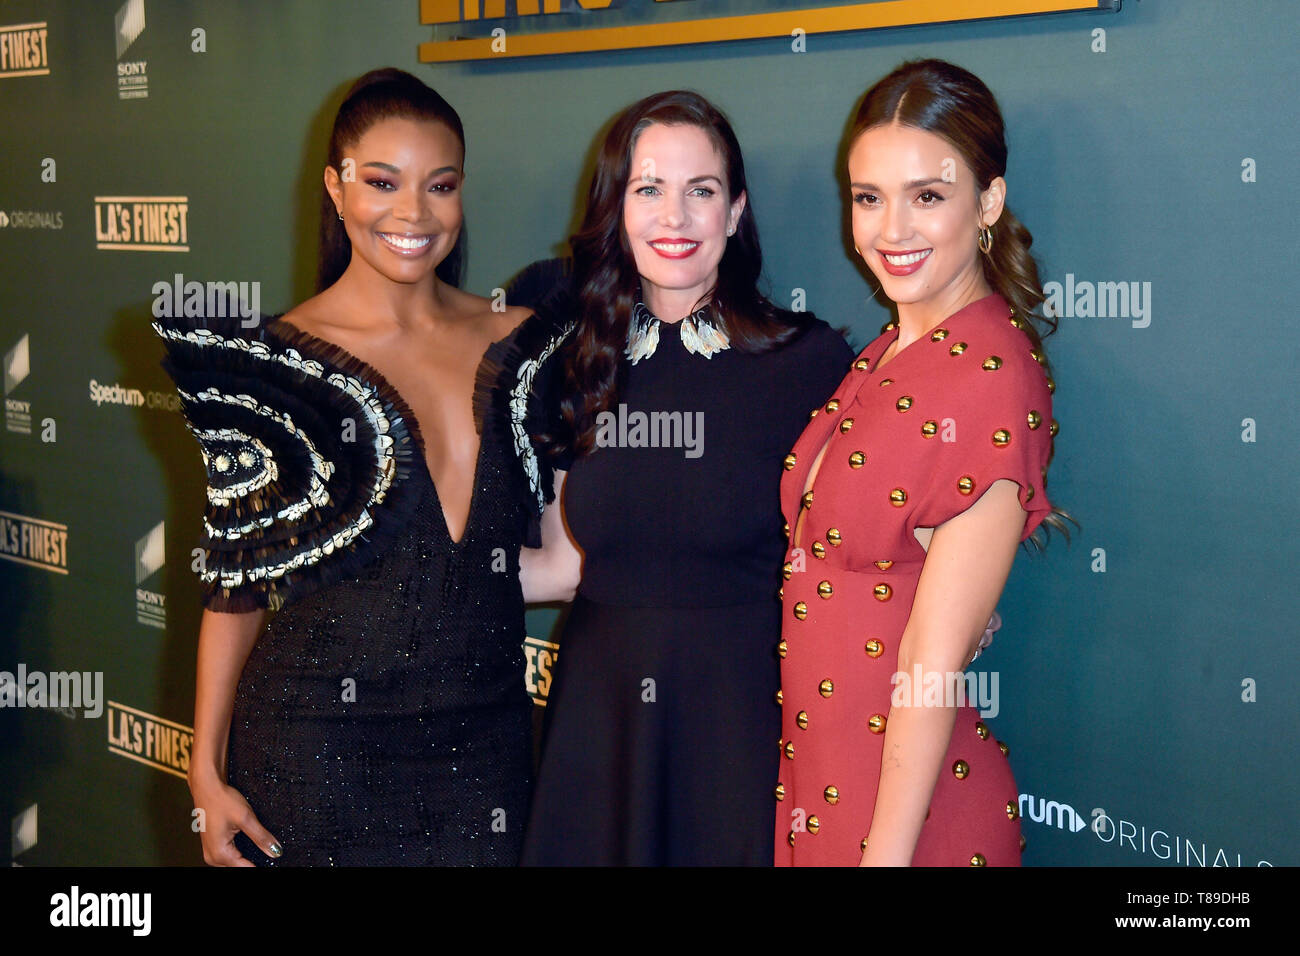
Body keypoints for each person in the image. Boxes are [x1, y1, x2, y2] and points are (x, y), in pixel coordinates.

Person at [156, 68, 547, 866]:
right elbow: (237, 585)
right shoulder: (271, 368)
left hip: (486, 754)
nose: (414, 213)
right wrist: (205, 771)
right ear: (336, 188)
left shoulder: (529, 342)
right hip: (313, 754)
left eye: (440, 185)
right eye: (382, 182)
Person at [514, 91, 855, 865]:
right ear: (616, 208)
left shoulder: (808, 363)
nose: (674, 217)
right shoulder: (574, 363)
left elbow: (845, 552)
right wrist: (403, 577)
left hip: (740, 721)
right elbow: (562, 567)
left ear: (735, 212)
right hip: (599, 721)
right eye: (648, 189)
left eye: (700, 190)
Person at [775, 58, 1064, 867]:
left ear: (989, 202)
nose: (891, 230)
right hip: (821, 784)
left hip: (909, 820)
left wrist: (885, 859)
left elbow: (929, 664)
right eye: (869, 197)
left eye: (927, 197)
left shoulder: (992, 373)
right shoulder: (887, 351)